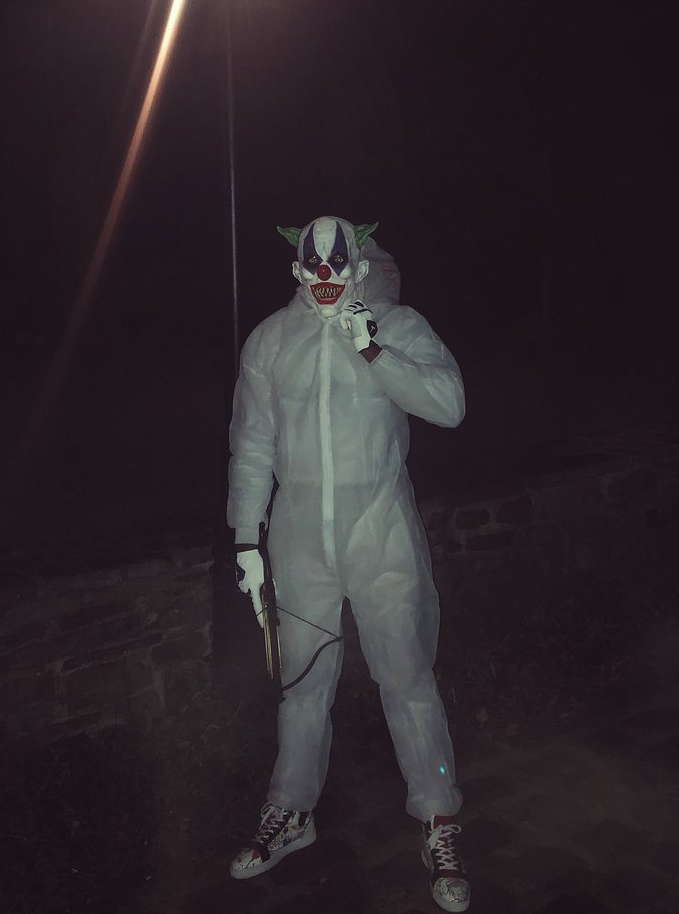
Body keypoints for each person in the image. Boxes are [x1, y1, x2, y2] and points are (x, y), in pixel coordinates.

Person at [226, 215, 470, 912]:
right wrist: (246, 539)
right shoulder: (270, 341)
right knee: (302, 683)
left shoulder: (397, 326)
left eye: (339, 265)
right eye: (315, 266)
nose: (327, 278)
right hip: (300, 540)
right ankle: (290, 809)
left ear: (359, 268)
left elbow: (450, 405)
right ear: (297, 269)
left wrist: (375, 352)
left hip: (380, 531)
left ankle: (437, 816)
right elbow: (252, 444)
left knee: (407, 675)